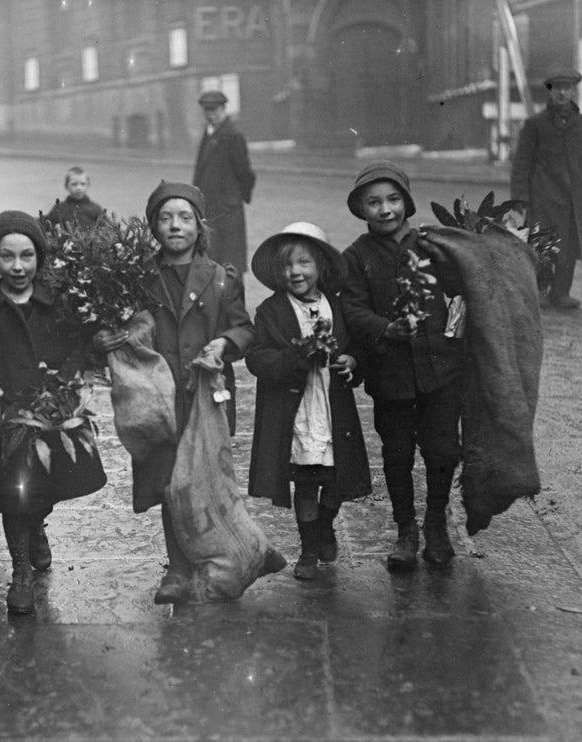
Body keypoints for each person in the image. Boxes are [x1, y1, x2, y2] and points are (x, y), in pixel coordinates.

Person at [93, 181, 254, 604]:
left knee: (203, 480)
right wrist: (108, 337)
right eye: (165, 218)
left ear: (199, 227)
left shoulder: (220, 279)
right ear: (152, 227)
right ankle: (178, 569)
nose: (175, 226)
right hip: (157, 398)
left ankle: (213, 560)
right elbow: (113, 321)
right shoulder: (135, 278)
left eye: (184, 218)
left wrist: (224, 343)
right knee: (168, 484)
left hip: (204, 394)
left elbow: (243, 327)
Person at [0, 211, 106, 615]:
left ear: (39, 257)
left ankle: (38, 525)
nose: (18, 266)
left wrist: (65, 387)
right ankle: (21, 571)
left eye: (27, 256)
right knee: (11, 496)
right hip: (3, 421)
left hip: (48, 415)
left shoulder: (55, 303)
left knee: (43, 489)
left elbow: (79, 346)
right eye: (7, 257)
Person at [340, 161, 464, 570]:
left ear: (406, 203)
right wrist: (384, 328)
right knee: (396, 454)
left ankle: (436, 523)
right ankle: (406, 530)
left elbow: (461, 286)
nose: (385, 209)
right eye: (373, 202)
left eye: (393, 199)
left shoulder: (431, 245)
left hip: (439, 370)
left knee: (443, 449)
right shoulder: (356, 257)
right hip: (390, 375)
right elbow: (352, 308)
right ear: (361, 209)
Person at [246, 222, 371, 579]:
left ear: (320, 267)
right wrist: (296, 357)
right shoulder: (272, 312)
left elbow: (351, 348)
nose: (295, 272)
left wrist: (350, 361)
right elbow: (258, 358)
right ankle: (309, 550)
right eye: (287, 265)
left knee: (334, 483)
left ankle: (325, 527)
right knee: (305, 482)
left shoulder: (336, 306)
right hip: (298, 413)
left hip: (332, 410)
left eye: (304, 263)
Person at [510, 66, 582, 310]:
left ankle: (561, 293)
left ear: (574, 91)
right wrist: (520, 200)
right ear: (550, 91)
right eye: (557, 88)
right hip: (545, 197)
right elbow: (522, 164)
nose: (562, 93)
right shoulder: (535, 124)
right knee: (543, 245)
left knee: (570, 246)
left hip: (575, 198)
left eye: (567, 88)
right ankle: (541, 290)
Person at [191, 90, 256, 272]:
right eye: (207, 111)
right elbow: (201, 168)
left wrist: (236, 198)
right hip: (209, 207)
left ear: (224, 109)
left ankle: (234, 300)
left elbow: (245, 173)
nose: (211, 115)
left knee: (230, 260)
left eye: (215, 110)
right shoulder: (208, 132)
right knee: (211, 258)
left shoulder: (233, 135)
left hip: (227, 210)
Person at [43, 165, 107, 234]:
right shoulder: (59, 208)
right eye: (74, 184)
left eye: (82, 184)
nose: (79, 187)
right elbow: (47, 226)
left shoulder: (95, 209)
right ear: (66, 186)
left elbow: (105, 229)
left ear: (88, 185)